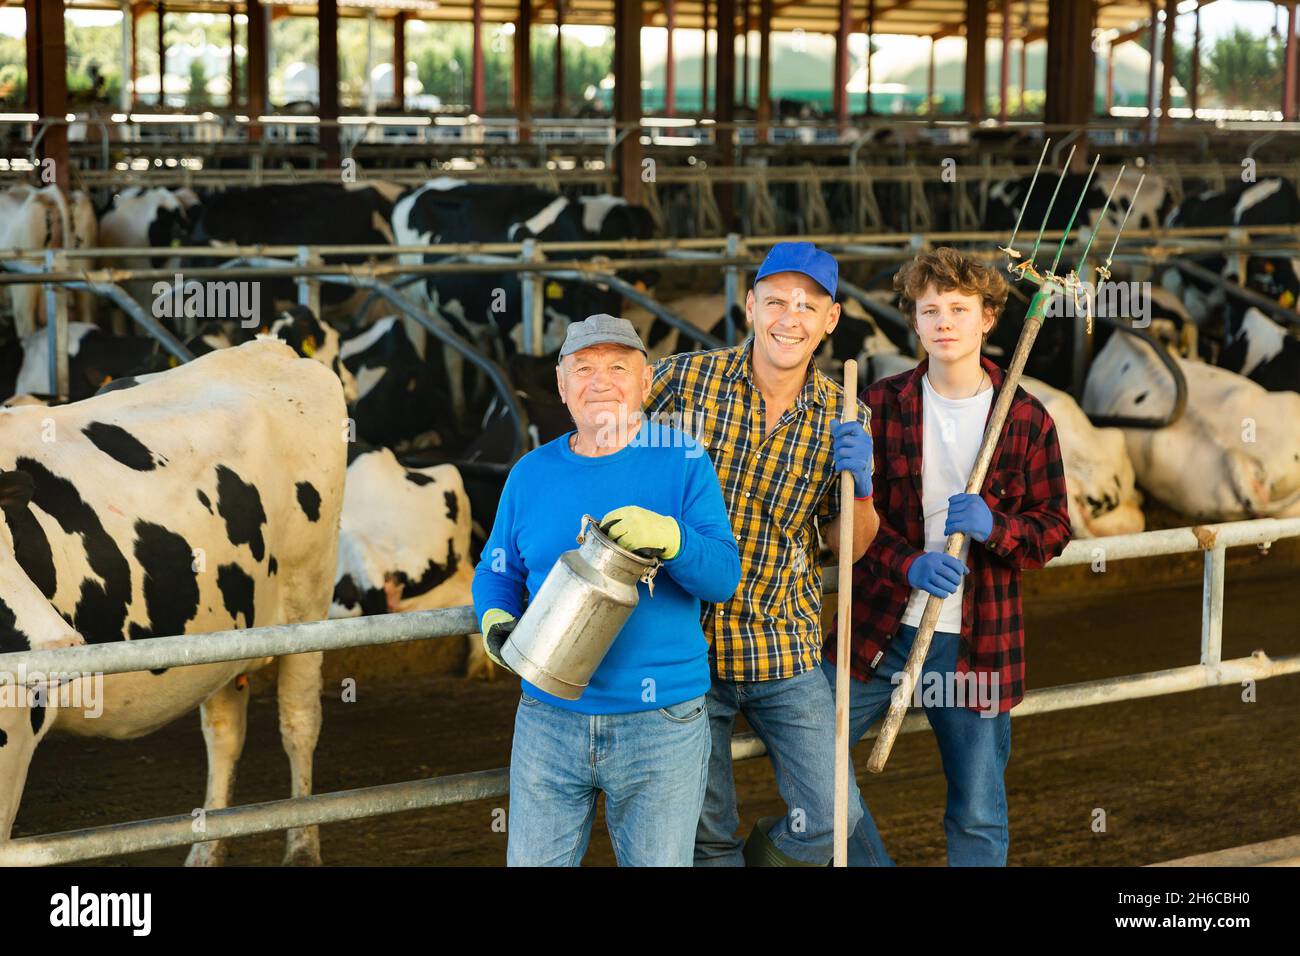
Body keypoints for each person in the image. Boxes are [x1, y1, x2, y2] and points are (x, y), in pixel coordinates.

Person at [825, 246, 1072, 866]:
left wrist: (997, 528)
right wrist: (905, 562)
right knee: (813, 760)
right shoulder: (879, 407)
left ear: (989, 318)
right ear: (913, 320)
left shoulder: (1026, 419)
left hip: (977, 643)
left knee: (979, 810)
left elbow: (1053, 530)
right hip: (879, 630)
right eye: (929, 309)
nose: (943, 322)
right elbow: (842, 529)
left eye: (959, 309)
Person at [472, 314, 742, 867]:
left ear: (645, 383)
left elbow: (722, 576)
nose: (601, 381)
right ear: (561, 384)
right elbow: (496, 569)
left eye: (619, 367)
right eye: (584, 368)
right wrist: (496, 618)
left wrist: (672, 537)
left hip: (661, 721)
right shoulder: (530, 472)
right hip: (548, 717)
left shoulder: (684, 460)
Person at [644, 241, 879, 866]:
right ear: (750, 306)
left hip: (781, 642)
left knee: (835, 818)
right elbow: (599, 443)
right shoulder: (680, 382)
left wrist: (865, 489)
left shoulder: (844, 413)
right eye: (776, 301)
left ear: (830, 319)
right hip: (683, 645)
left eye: (808, 306)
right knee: (705, 832)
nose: (789, 318)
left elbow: (847, 548)